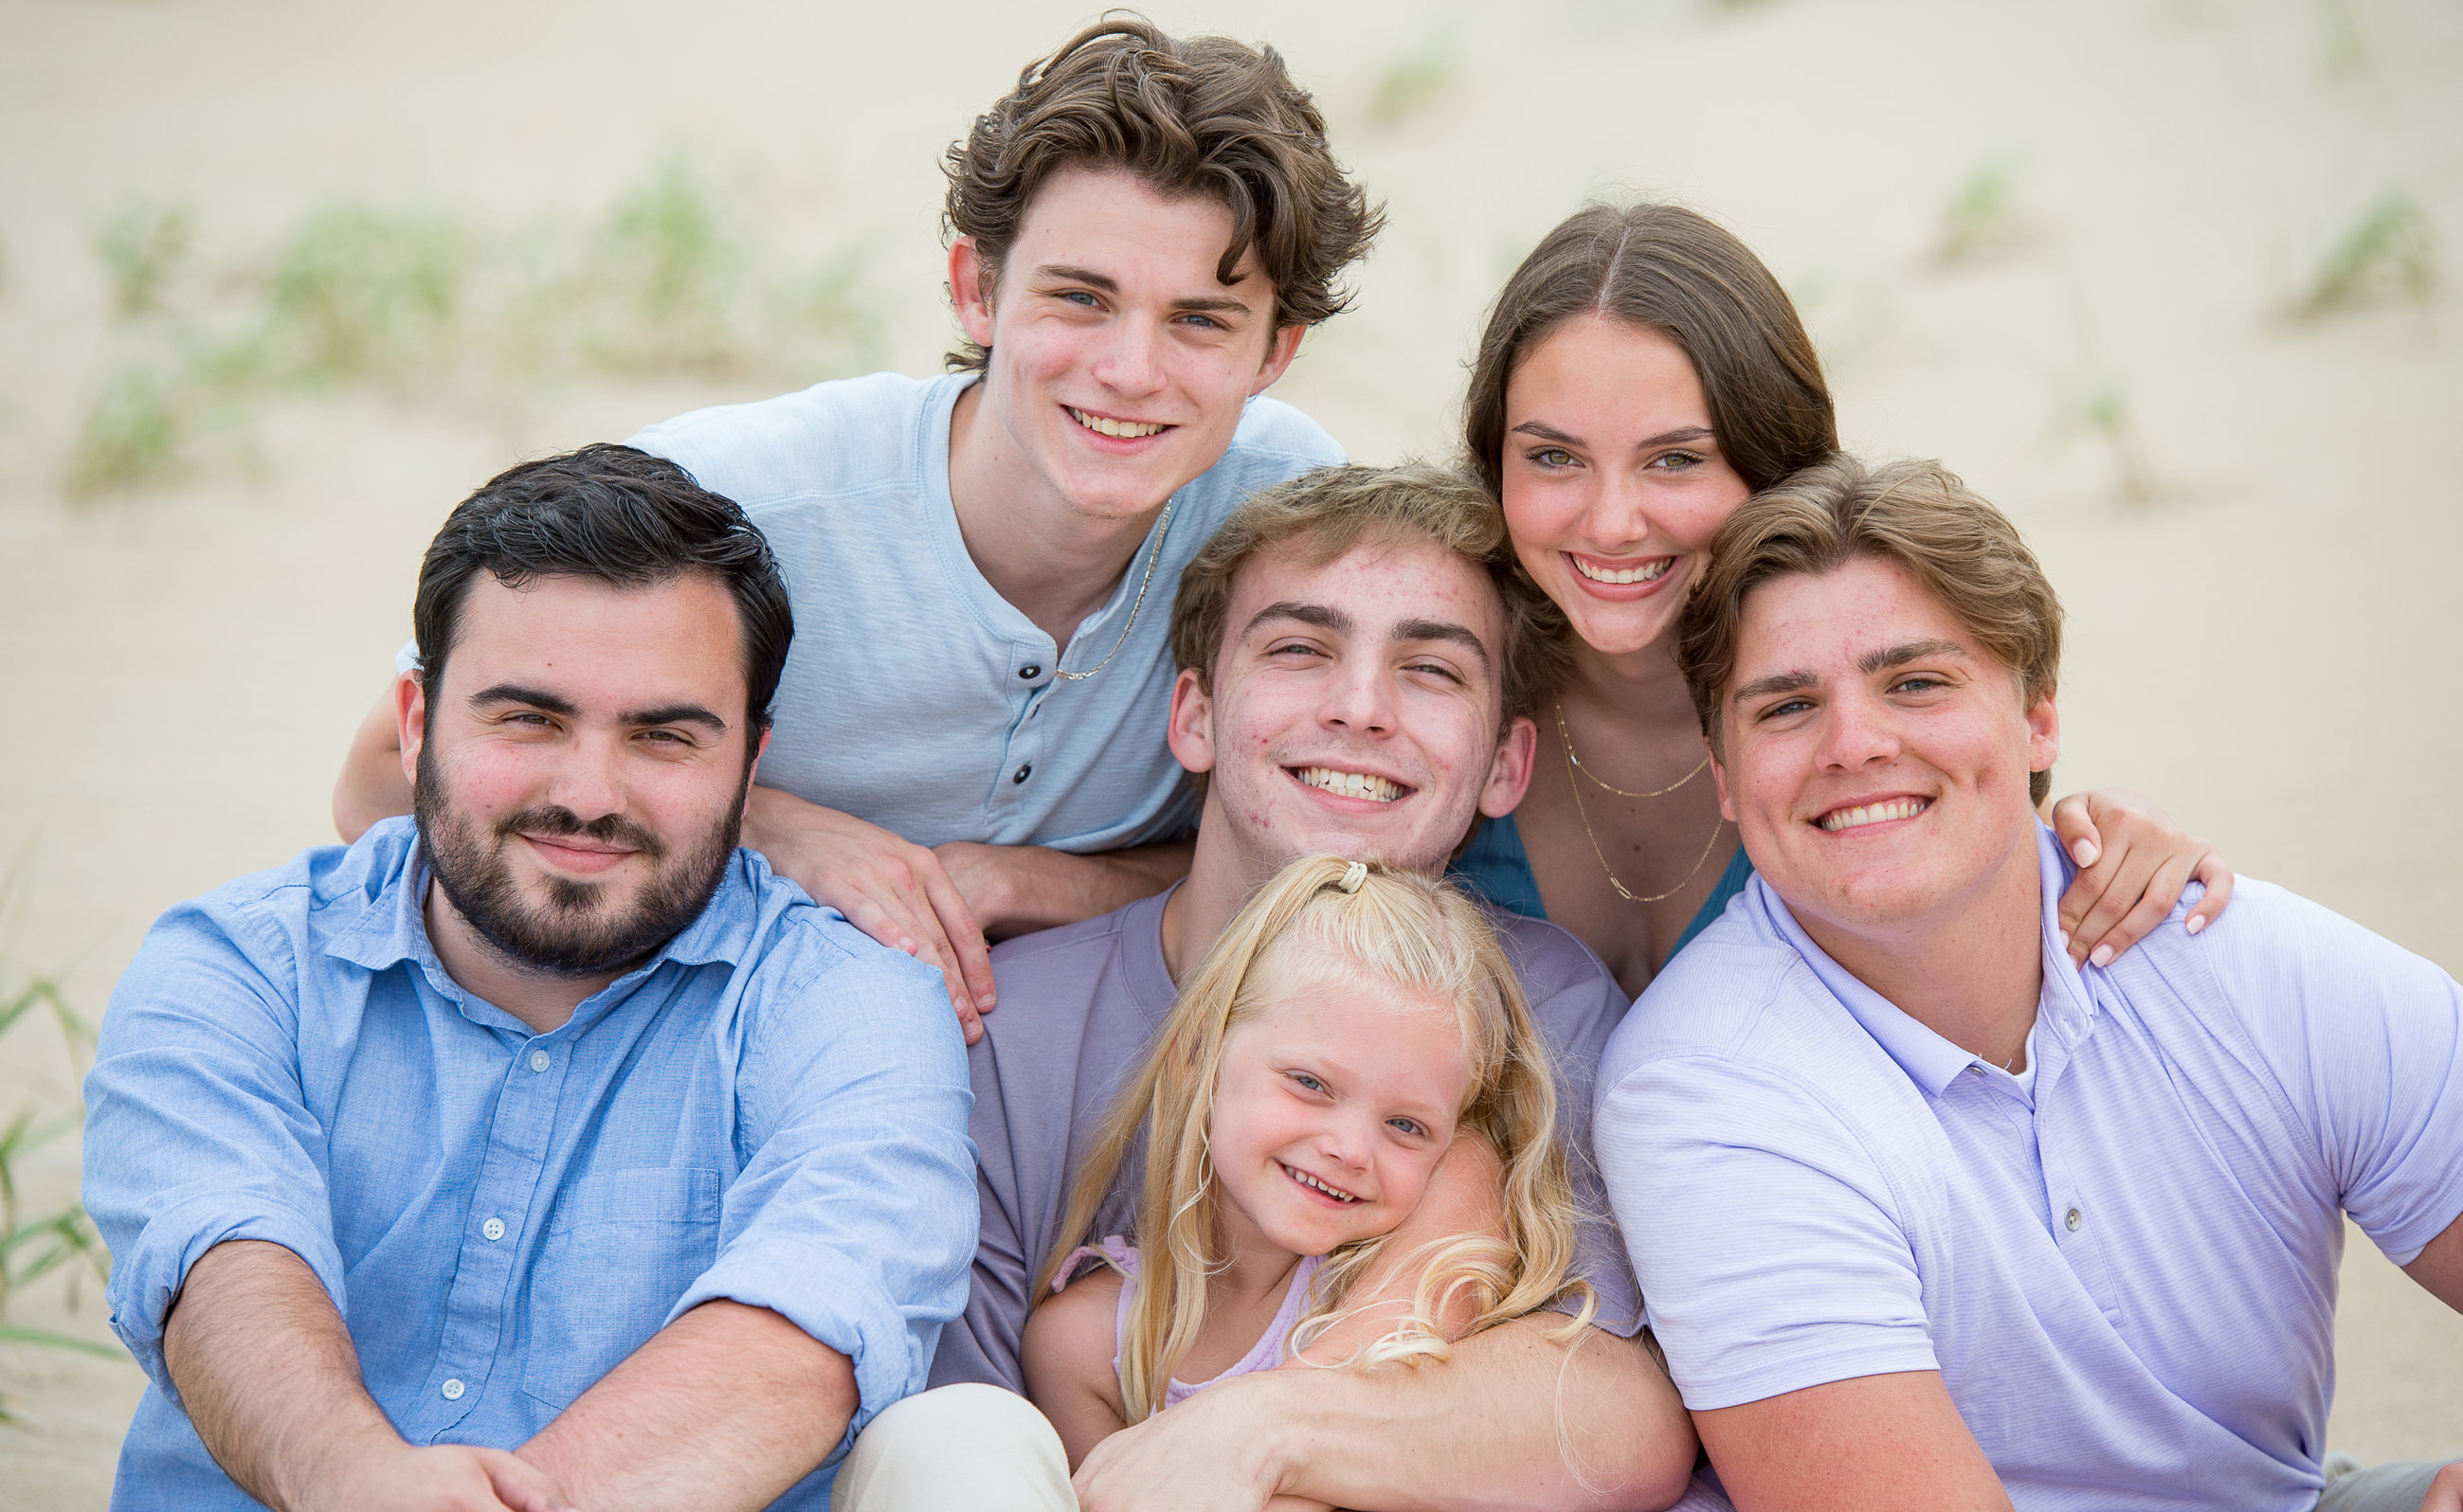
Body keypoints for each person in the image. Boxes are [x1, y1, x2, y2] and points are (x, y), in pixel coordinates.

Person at [331, 14, 1379, 1042]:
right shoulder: (725, 504)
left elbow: (1335, 848)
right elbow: (379, 780)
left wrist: (1039, 883)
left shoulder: (1288, 517)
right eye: (1080, 298)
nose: (1130, 370)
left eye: (1199, 320)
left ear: (1274, 351)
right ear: (977, 290)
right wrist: (768, 825)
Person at [83, 446, 977, 1512]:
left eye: (663, 736)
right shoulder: (240, 965)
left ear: (750, 764)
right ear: (416, 725)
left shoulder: (851, 1005)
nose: (590, 794)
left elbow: (810, 1324)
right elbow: (222, 1265)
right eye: (528, 718)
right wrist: (353, 1481)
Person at [1594, 455, 2463, 1512]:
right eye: (1785, 707)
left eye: (1916, 682)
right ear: (1724, 776)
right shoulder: (1704, 1087)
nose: (1854, 744)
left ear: (2039, 716)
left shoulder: (2229, 952)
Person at [832, 463, 1696, 1512]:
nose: (1360, 708)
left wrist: (1266, 1429)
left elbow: (1618, 1413)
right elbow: (958, 1440)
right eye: (1299, 649)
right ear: (1194, 715)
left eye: (1431, 669)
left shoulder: (1540, 1007)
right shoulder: (1005, 1034)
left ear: (1506, 765)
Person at [1450, 202, 2231, 995]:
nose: (1611, 524)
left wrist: (2104, 845)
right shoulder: (1424, 689)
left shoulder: (1863, 715)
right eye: (1553, 457)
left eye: (1676, 460)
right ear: (1493, 463)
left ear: (1772, 460)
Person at [1023, 855, 1597, 1491]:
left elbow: (1353, 1418)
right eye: (1310, 1083)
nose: (1351, 1149)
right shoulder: (1083, 1346)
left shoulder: (1419, 1254)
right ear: (1197, 1054)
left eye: (1405, 1125)